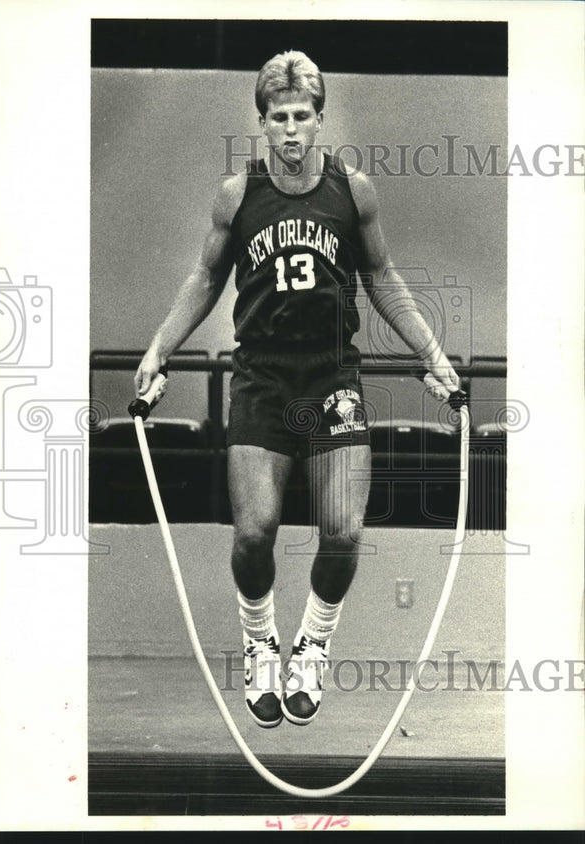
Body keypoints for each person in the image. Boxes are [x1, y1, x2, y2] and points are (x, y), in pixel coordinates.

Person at [135, 51, 460, 729]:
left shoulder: (352, 190)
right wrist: (158, 351)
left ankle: (311, 646)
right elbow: (203, 277)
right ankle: (260, 641)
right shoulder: (237, 195)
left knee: (343, 533)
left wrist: (431, 353)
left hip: (332, 377)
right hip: (262, 376)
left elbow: (385, 277)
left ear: (320, 119)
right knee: (254, 532)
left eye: (301, 117)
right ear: (261, 122)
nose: (289, 130)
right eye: (277, 117)